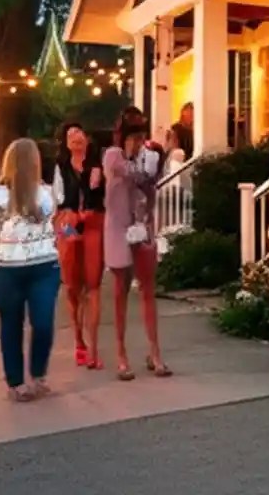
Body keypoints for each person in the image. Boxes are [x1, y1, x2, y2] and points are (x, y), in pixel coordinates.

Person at [0, 138, 60, 402]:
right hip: (6, 271)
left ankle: (38, 373)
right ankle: (16, 381)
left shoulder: (46, 192)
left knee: (43, 323)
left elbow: (56, 220)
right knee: (11, 324)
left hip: (44, 266)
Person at [104, 109, 171, 381]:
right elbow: (132, 173)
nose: (138, 141)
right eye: (133, 136)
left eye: (142, 136)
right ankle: (121, 354)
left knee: (147, 289)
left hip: (142, 228)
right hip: (119, 230)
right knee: (120, 290)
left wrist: (155, 163)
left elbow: (151, 184)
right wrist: (149, 163)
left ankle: (155, 352)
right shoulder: (113, 156)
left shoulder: (147, 157)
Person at [52, 122, 106, 370]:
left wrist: (101, 177)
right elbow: (58, 204)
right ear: (65, 142)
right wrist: (68, 231)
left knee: (93, 284)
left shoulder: (99, 164)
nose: (75, 137)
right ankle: (78, 340)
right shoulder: (60, 169)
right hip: (68, 221)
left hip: (94, 220)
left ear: (87, 138)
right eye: (70, 135)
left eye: (79, 133)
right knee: (73, 286)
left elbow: (107, 196)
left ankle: (94, 347)